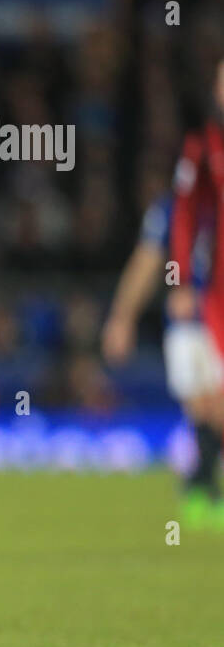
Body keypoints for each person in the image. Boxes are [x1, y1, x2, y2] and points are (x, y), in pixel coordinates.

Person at [103, 191, 222, 527]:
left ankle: (199, 484)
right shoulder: (171, 209)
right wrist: (122, 316)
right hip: (187, 324)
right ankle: (203, 488)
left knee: (216, 407)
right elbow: (146, 261)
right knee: (201, 405)